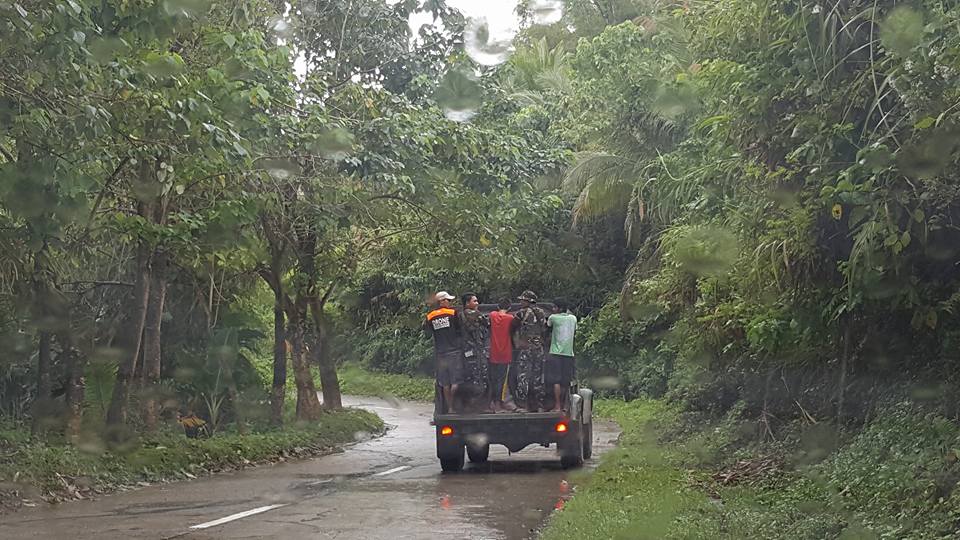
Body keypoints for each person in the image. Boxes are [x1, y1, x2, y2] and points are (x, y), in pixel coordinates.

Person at [424, 291, 464, 413]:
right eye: (448, 300)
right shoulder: (453, 313)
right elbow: (460, 330)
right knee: (456, 382)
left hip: (441, 354)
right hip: (454, 352)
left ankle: (450, 408)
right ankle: (456, 405)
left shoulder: (430, 316)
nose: (450, 303)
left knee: (445, 383)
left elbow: (427, 334)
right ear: (442, 301)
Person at [513, 290, 548, 412]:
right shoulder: (541, 312)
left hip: (526, 348)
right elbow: (545, 330)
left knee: (523, 377)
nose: (520, 302)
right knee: (537, 377)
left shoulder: (521, 313)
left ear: (528, 301)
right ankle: (539, 405)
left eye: (522, 300)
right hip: (539, 349)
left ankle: (524, 406)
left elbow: (513, 327)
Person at [458, 292, 490, 412]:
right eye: (474, 301)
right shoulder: (477, 314)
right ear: (467, 303)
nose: (477, 303)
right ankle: (479, 406)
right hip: (477, 352)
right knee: (481, 378)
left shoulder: (460, 315)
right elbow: (487, 324)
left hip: (467, 352)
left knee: (470, 378)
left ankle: (468, 405)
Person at [545, 298, 578, 412]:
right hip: (569, 354)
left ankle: (557, 405)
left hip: (555, 353)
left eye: (554, 307)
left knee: (556, 381)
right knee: (566, 381)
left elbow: (547, 331)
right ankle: (566, 406)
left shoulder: (553, 318)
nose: (553, 309)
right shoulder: (573, 319)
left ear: (559, 308)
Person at [488, 297, 519, 412]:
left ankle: (493, 402)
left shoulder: (492, 315)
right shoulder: (510, 318)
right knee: (502, 381)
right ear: (509, 308)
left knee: (494, 379)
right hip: (506, 354)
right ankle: (498, 403)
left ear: (498, 306)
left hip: (493, 353)